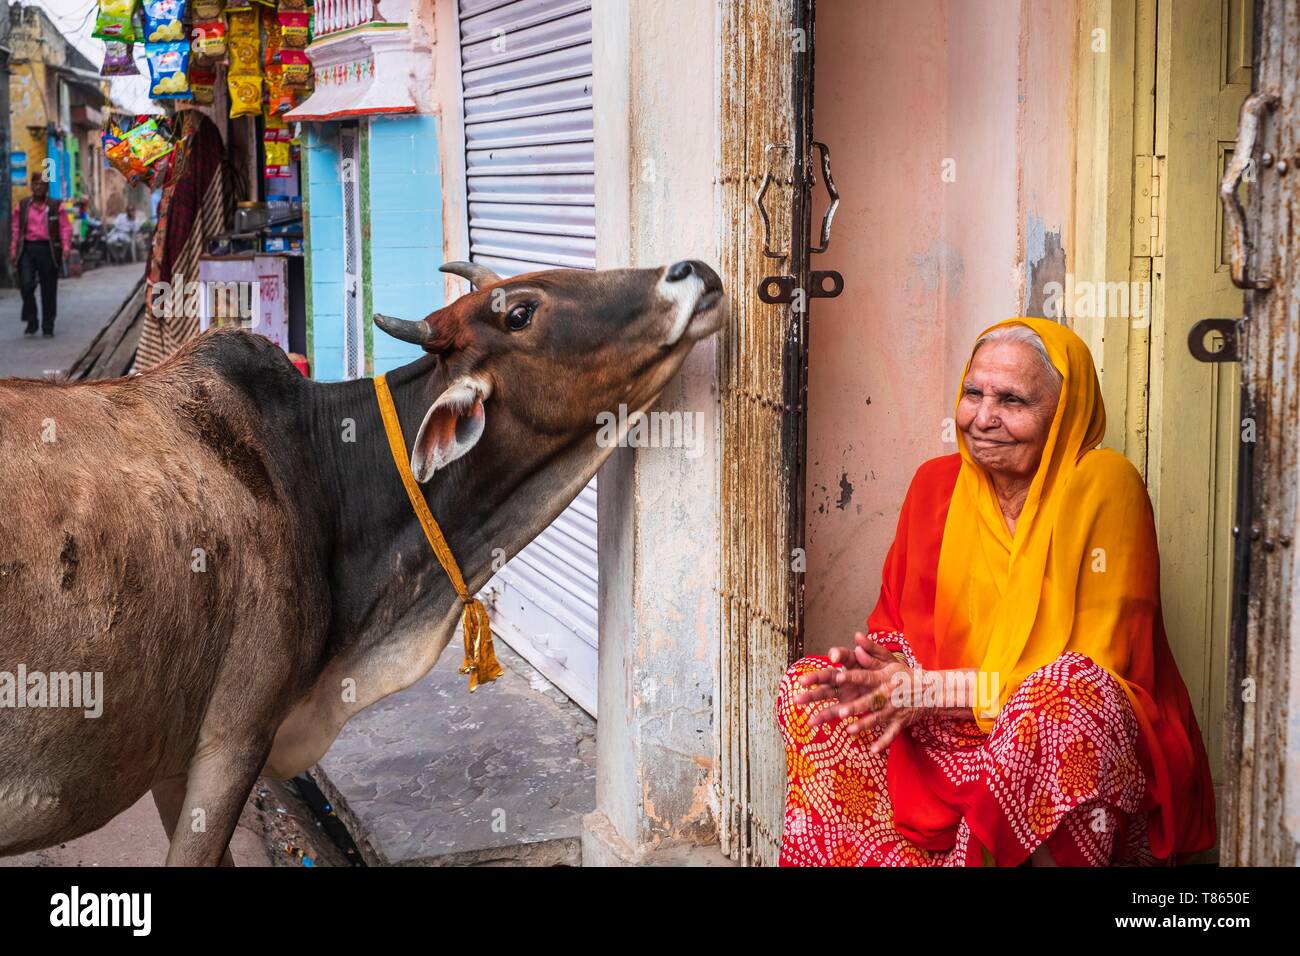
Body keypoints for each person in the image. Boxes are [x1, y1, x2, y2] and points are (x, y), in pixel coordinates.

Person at [777, 317, 1216, 866]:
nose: (983, 418)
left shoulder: (1105, 485)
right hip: (942, 729)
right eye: (973, 393)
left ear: (1063, 415)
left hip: (1066, 741)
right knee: (810, 688)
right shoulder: (935, 484)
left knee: (1067, 697)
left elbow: (1090, 669)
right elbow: (899, 629)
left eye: (1013, 401)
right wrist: (882, 671)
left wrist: (928, 692)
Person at [10, 174, 73, 337]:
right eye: (35, 184)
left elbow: (65, 227)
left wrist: (66, 247)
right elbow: (16, 229)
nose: (38, 187)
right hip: (27, 249)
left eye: (42, 184)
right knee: (26, 284)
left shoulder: (55, 205)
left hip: (48, 249)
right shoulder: (22, 206)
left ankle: (48, 323)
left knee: (49, 289)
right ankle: (32, 319)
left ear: (47, 187)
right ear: (31, 187)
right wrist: (13, 250)